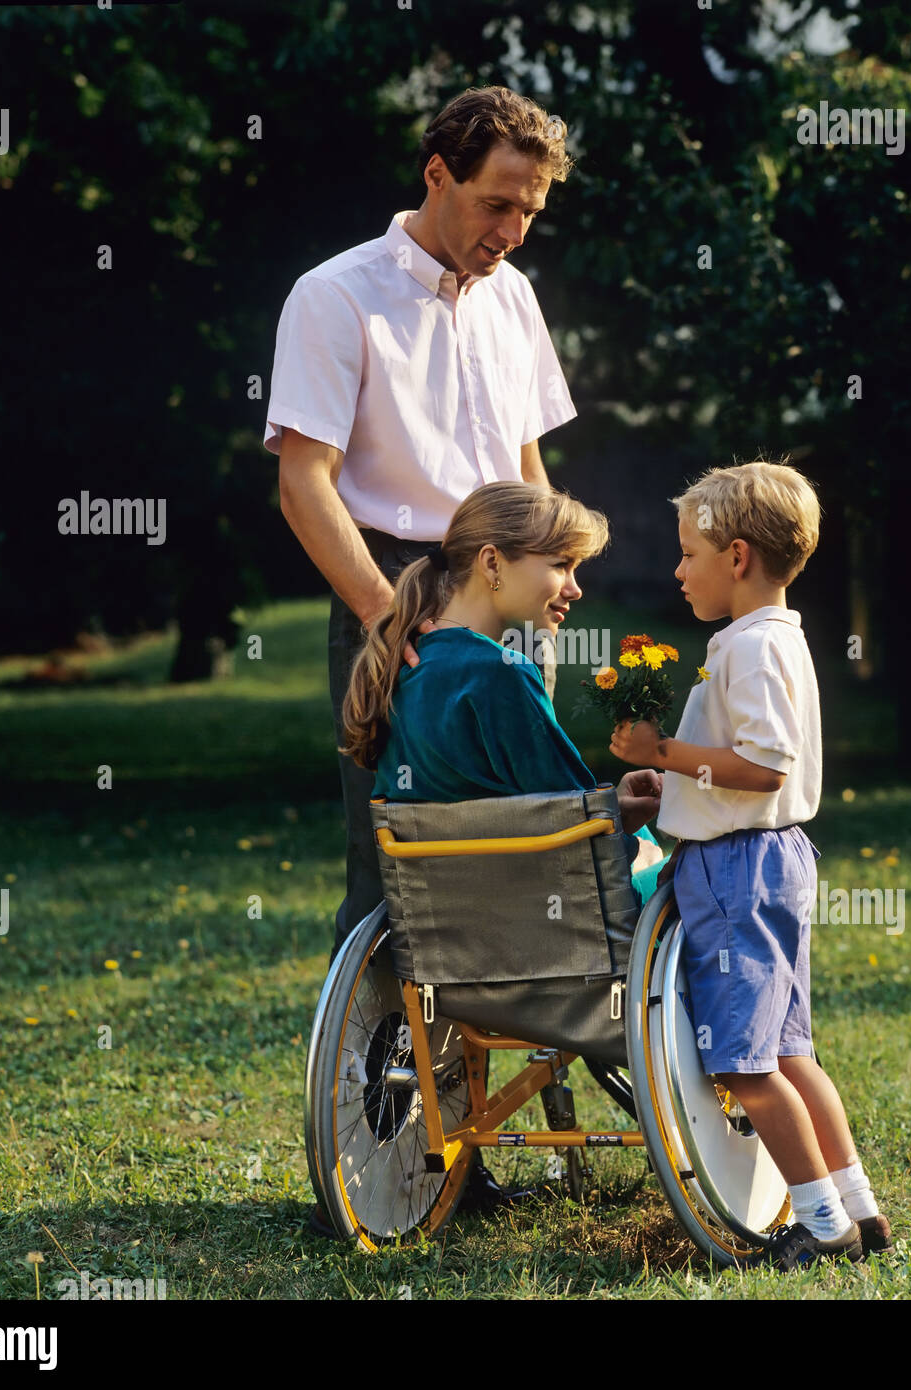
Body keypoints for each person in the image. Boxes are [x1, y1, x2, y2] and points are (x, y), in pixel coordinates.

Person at [264, 86, 579, 970]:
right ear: (437, 175)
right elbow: (303, 485)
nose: (514, 229)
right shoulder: (334, 296)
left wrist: (551, 572)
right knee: (396, 866)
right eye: (497, 204)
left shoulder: (514, 298)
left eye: (530, 210)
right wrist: (385, 615)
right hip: (396, 587)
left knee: (527, 849)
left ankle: (498, 1095)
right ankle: (382, 1102)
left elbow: (528, 470)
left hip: (511, 590)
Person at [609, 457, 893, 1271]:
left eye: (688, 552)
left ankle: (821, 1224)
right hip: (764, 858)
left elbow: (763, 767)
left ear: (736, 557)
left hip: (739, 871)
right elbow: (741, 766)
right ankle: (860, 1209)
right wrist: (666, 785)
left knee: (745, 1060)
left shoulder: (751, 648)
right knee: (791, 1052)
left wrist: (661, 747)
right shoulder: (766, 640)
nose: (677, 568)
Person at [343, 481, 665, 904]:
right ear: (492, 563)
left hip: (443, 921)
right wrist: (634, 842)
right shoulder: (503, 673)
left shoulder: (400, 666)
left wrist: (615, 807)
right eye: (561, 565)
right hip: (542, 913)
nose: (575, 588)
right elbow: (578, 827)